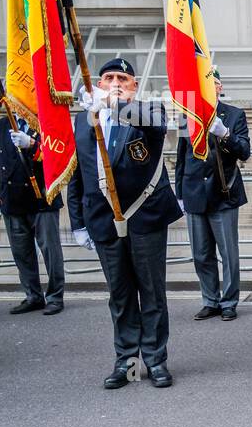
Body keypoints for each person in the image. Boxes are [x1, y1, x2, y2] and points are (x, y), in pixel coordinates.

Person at [67, 57, 182, 389]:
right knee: (120, 295)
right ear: (99, 84)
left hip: (143, 217)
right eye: (108, 78)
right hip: (103, 220)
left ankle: (156, 360)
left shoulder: (149, 111)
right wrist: (78, 221)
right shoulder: (84, 120)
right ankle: (127, 362)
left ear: (134, 86)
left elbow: (156, 126)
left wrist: (112, 105)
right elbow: (77, 172)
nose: (116, 82)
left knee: (151, 292)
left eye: (123, 79)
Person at [174, 89, 250, 323]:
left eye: (213, 82)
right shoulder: (187, 116)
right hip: (194, 193)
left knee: (228, 254)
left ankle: (228, 302)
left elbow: (244, 152)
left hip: (223, 192)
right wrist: (180, 193)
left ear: (218, 87)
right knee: (201, 254)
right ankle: (210, 300)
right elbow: (181, 156)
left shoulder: (234, 115)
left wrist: (225, 133)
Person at [0, 112, 65, 315]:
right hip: (12, 198)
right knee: (22, 253)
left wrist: (31, 143)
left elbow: (59, 156)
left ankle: (55, 297)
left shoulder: (45, 121)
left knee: (51, 252)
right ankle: (33, 296)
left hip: (42, 198)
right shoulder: (0, 125)